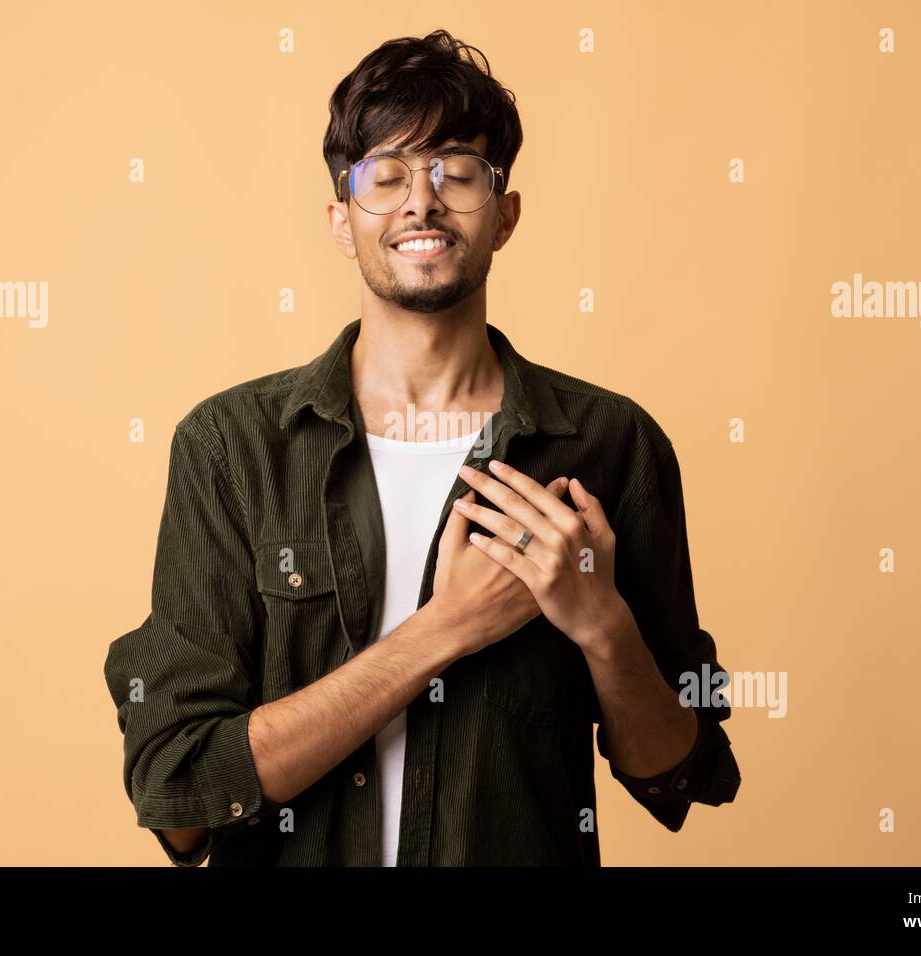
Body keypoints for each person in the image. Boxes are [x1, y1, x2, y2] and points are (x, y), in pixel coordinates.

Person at [103, 28, 741, 867]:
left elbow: (684, 773)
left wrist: (604, 625)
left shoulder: (612, 444)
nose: (421, 203)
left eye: (457, 172)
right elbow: (181, 797)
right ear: (342, 221)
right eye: (387, 176)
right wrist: (444, 628)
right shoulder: (231, 448)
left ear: (505, 215)